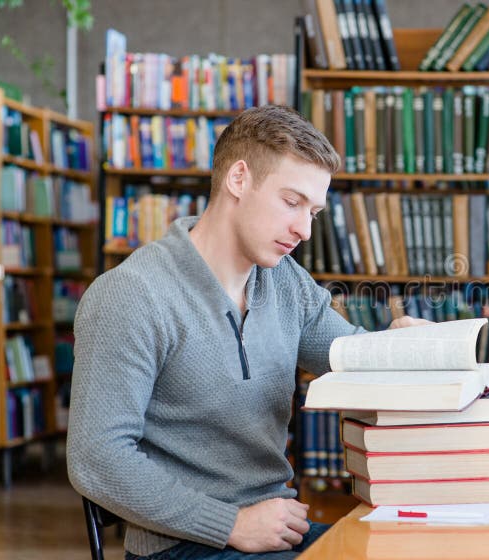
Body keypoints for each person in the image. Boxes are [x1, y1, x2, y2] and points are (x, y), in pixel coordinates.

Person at [67, 105, 425, 559]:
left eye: (313, 212)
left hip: (274, 532)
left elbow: (348, 356)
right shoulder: (132, 294)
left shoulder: (284, 280)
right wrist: (230, 524)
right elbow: (96, 458)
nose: (304, 230)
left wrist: (401, 345)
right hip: (183, 546)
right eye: (292, 202)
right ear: (238, 179)